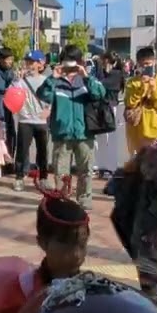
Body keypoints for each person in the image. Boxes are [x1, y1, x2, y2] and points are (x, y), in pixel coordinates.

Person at [46, 45, 106, 208]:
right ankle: (61, 198)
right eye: (67, 61)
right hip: (62, 133)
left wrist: (85, 76)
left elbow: (100, 94)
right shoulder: (56, 81)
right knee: (61, 170)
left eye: (73, 61)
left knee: (86, 169)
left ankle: (84, 199)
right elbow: (43, 95)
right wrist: (53, 77)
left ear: (80, 62)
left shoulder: (87, 80)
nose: (70, 65)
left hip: (84, 132)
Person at [11, 51, 51, 193]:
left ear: (40, 64)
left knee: (43, 151)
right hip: (25, 120)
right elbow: (11, 97)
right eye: (27, 61)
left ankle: (43, 178)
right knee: (22, 150)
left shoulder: (46, 80)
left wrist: (49, 110)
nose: (29, 65)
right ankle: (19, 177)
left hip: (41, 121)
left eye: (32, 62)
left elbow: (52, 98)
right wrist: (16, 79)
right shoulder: (20, 81)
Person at [123, 46, 157, 157]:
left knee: (155, 162)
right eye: (142, 65)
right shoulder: (132, 82)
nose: (145, 67)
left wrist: (154, 90)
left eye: (148, 64)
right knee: (138, 163)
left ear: (154, 62)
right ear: (137, 64)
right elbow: (130, 103)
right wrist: (142, 86)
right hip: (136, 130)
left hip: (155, 128)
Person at [93, 52, 127, 177]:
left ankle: (110, 167)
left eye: (104, 61)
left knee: (111, 138)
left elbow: (101, 83)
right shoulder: (103, 72)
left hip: (112, 108)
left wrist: (102, 70)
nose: (103, 64)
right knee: (100, 137)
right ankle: (99, 165)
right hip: (101, 107)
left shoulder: (117, 74)